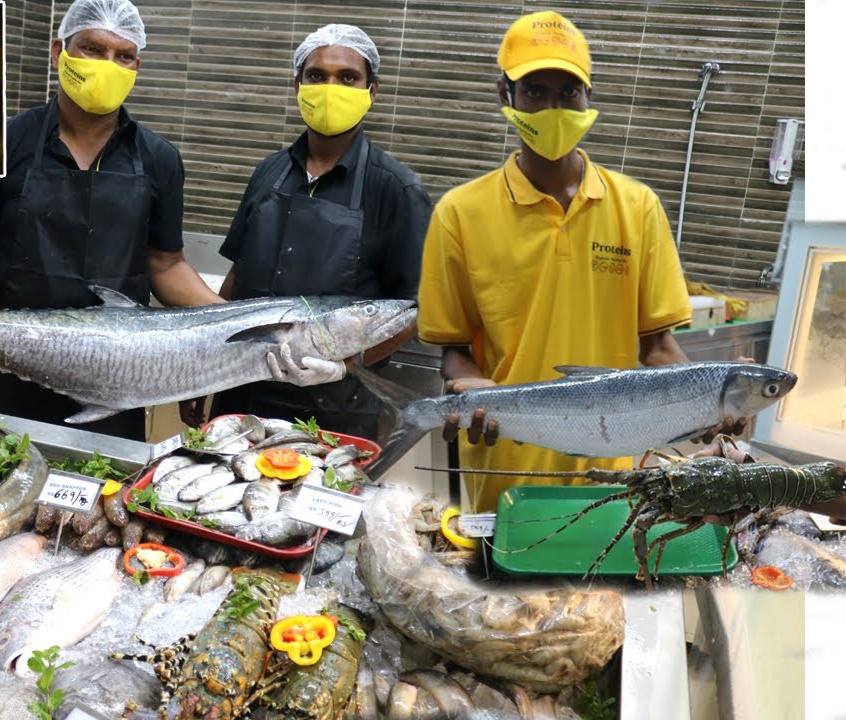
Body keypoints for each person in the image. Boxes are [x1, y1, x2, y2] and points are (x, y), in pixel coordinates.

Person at [418, 10, 745, 512]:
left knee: (609, 584)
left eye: (568, 92)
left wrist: (709, 407)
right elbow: (455, 349)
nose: (553, 107)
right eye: (535, 91)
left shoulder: (637, 207)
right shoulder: (459, 213)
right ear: (504, 95)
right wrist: (471, 389)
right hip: (506, 461)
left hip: (618, 468)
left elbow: (657, 348)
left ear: (590, 97)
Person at [0, 0, 223, 441]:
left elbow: (166, 265)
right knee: (2, 485)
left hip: (118, 380)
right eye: (92, 49)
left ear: (136, 66)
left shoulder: (160, 159)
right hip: (14, 365)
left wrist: (243, 324)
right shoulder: (6, 142)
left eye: (123, 56)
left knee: (104, 498)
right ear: (58, 51)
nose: (109, 64)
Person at [203, 23, 432, 441]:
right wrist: (203, 369)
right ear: (297, 85)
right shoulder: (268, 172)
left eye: (347, 78)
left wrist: (347, 365)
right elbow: (236, 279)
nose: (330, 88)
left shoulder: (397, 190)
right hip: (240, 396)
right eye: (316, 76)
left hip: (334, 409)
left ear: (372, 91)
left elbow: (415, 311)